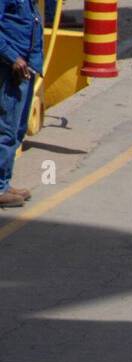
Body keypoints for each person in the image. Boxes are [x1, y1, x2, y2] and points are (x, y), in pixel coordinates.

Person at [0, 0, 42, 208]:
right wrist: (12, 57)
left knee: (17, 129)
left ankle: (5, 183)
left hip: (26, 67)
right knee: (6, 130)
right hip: (11, 69)